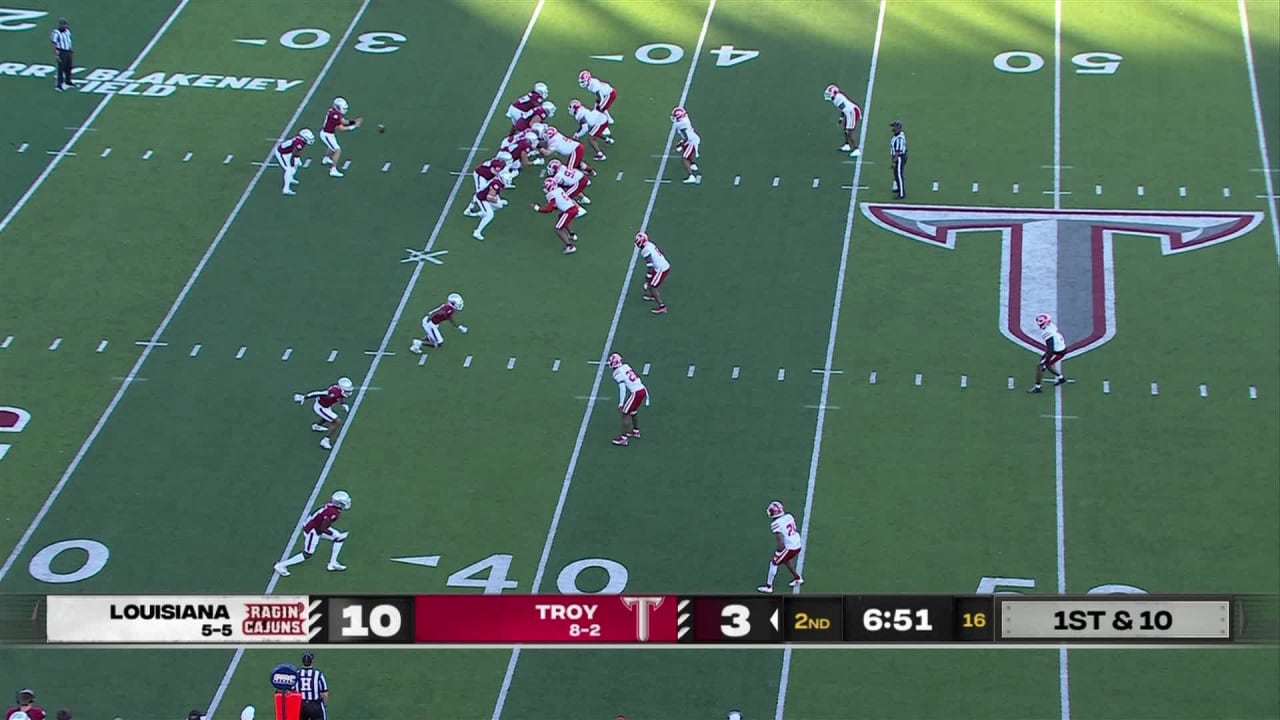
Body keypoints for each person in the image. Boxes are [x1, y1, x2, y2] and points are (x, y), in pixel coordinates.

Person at [297, 652, 329, 720]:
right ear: (312, 661)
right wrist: (324, 705)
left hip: (300, 705)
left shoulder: (296, 674)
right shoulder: (318, 674)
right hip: (315, 705)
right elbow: (324, 693)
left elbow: (291, 690)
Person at [50, 18, 73, 92]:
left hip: (68, 51)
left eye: (65, 24)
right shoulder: (56, 32)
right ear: (60, 25)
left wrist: (70, 51)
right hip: (61, 51)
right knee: (61, 69)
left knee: (69, 67)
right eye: (63, 24)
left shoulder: (67, 31)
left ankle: (68, 81)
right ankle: (59, 85)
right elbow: (54, 44)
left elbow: (69, 41)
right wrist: (56, 55)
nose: (65, 26)